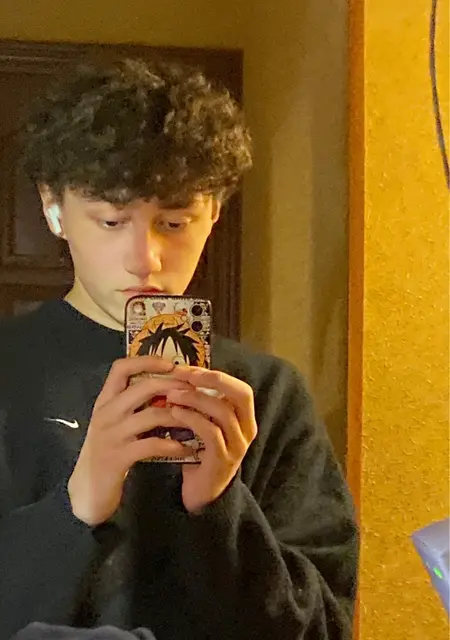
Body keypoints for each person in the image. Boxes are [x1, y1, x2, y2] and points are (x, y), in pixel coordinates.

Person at [0, 59, 358, 640]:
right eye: (111, 221)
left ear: (213, 211)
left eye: (173, 222)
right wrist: (76, 506)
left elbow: (322, 628)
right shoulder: (9, 371)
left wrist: (220, 508)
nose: (144, 260)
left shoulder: (267, 395)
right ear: (53, 208)